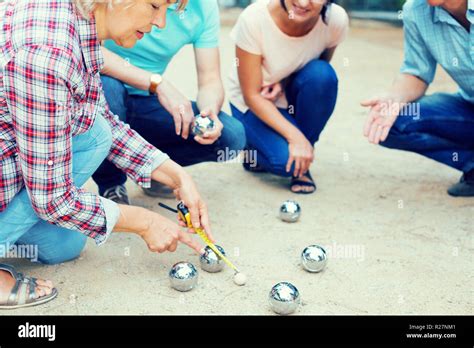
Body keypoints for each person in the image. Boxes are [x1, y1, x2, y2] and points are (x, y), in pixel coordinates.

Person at [0, 0, 212, 309]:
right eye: (154, 6)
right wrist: (144, 221)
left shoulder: (79, 25)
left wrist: (177, 175)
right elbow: (52, 200)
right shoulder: (50, 55)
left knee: (67, 244)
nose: (161, 23)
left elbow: (99, 119)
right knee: (59, 200)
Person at [93, 0, 246, 204]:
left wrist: (209, 110)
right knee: (108, 89)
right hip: (106, 91)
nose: (161, 22)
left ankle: (153, 169)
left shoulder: (205, 7)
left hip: (147, 101)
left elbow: (210, 80)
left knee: (231, 136)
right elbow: (90, 49)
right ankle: (111, 184)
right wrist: (157, 83)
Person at [228, 0, 348, 194]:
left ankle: (302, 163)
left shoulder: (335, 20)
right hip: (251, 102)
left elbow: (316, 70)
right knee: (285, 163)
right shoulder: (254, 18)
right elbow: (251, 95)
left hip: (288, 93)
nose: (302, 2)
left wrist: (283, 82)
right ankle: (254, 150)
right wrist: (296, 138)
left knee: (322, 76)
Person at [362, 0, 474, 197]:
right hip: (468, 107)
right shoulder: (415, 11)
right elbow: (417, 72)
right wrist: (394, 98)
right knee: (393, 122)